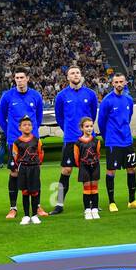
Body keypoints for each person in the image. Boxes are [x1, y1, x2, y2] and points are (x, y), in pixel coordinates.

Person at [96, 72, 136, 212]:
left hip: (127, 140)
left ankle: (132, 200)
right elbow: (101, 122)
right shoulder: (107, 100)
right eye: (116, 82)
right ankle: (112, 202)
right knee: (111, 171)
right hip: (113, 141)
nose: (119, 84)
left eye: (121, 82)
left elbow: (128, 117)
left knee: (132, 169)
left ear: (125, 83)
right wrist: (108, 137)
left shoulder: (129, 100)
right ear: (112, 83)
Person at [0, 69, 45, 219]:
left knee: (35, 173)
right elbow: (1, 117)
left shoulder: (36, 95)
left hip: (32, 142)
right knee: (14, 173)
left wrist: (33, 134)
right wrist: (10, 133)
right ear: (14, 79)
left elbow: (38, 117)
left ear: (27, 79)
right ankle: (13, 207)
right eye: (17, 77)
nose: (19, 80)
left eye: (22, 77)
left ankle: (37, 206)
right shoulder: (7, 96)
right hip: (14, 142)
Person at [51, 66, 98, 215]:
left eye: (78, 72)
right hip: (71, 139)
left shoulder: (90, 94)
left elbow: (92, 115)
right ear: (67, 77)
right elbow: (59, 117)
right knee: (66, 170)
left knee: (90, 171)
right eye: (72, 73)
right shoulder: (61, 96)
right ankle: (58, 204)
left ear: (81, 75)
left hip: (88, 140)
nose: (75, 75)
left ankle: (92, 203)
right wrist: (69, 130)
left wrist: (86, 132)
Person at [11, 117, 45, 224]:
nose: (27, 126)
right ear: (20, 127)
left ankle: (34, 215)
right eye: (24, 125)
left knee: (34, 191)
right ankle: (26, 215)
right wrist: (20, 166)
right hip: (23, 168)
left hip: (34, 167)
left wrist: (38, 164)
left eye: (29, 125)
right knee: (25, 192)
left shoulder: (36, 140)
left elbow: (41, 153)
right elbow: (15, 156)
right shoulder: (17, 142)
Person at [73, 116, 103, 220]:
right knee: (86, 188)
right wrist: (83, 165)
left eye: (91, 126)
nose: (89, 128)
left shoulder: (96, 141)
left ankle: (94, 209)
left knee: (94, 188)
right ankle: (87, 210)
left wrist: (93, 162)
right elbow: (76, 157)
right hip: (84, 167)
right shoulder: (78, 143)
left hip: (95, 166)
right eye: (87, 126)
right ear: (82, 128)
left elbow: (98, 154)